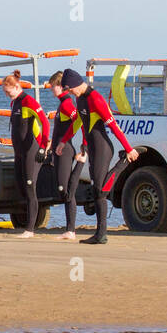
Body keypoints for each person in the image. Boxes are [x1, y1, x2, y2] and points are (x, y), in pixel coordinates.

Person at [54, 69, 138, 244]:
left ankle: (121, 164)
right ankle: (100, 235)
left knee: (100, 191)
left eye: (70, 90)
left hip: (102, 147)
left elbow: (113, 126)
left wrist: (129, 149)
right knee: (97, 191)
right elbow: (78, 122)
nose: (70, 93)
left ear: (76, 84)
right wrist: (64, 141)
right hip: (92, 147)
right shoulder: (80, 98)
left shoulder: (96, 99)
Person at [0, 71, 49, 238]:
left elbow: (45, 122)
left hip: (31, 150)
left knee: (30, 187)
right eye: (4, 92)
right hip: (19, 152)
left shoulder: (29, 101)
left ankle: (30, 229)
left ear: (16, 86)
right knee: (21, 187)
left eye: (8, 91)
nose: (6, 95)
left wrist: (43, 146)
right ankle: (29, 226)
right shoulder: (14, 103)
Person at [48, 70, 87, 240]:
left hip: (65, 151)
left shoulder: (66, 104)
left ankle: (70, 230)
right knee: (63, 189)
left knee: (66, 190)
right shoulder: (62, 103)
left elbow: (80, 121)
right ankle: (69, 229)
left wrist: (81, 143)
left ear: (60, 86)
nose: (51, 90)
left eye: (52, 87)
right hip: (60, 149)